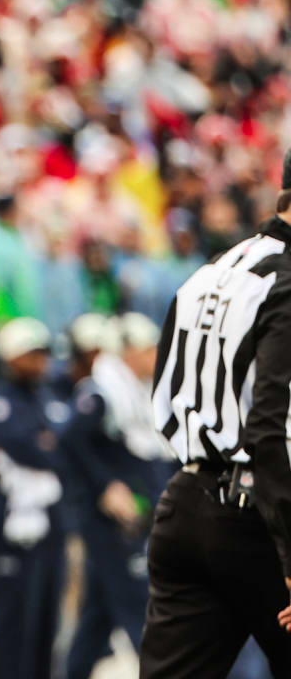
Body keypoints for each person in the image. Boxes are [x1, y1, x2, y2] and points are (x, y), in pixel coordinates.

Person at [140, 150, 291, 676]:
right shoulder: (287, 281)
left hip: (184, 502)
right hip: (259, 516)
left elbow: (164, 391)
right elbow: (271, 432)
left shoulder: (216, 269)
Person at [62, 313, 174, 679]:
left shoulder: (136, 391)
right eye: (149, 350)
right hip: (113, 527)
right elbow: (71, 439)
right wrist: (105, 486)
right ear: (128, 353)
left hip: (132, 521)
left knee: (96, 621)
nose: (156, 356)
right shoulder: (101, 392)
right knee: (141, 615)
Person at [0, 317, 67, 679]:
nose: (40, 362)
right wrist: (47, 445)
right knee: (11, 626)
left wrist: (50, 445)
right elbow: (29, 449)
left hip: (50, 532)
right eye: (32, 354)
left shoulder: (48, 398)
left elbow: (65, 448)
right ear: (11, 356)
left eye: (43, 355)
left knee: (46, 626)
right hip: (10, 535)